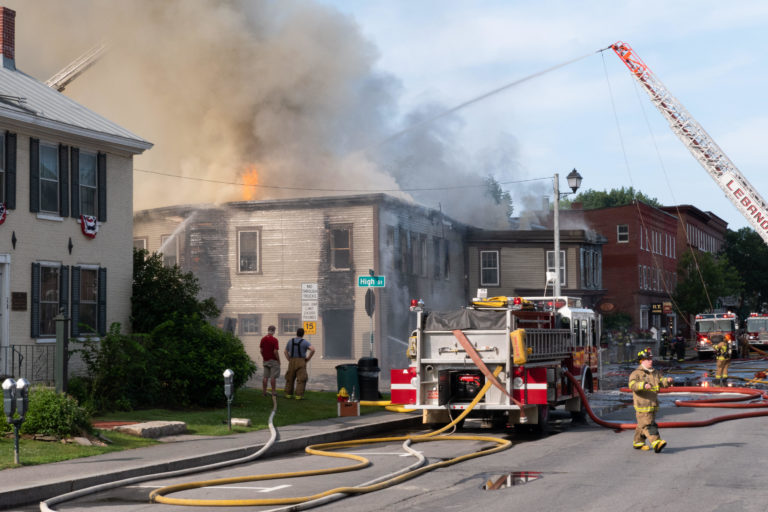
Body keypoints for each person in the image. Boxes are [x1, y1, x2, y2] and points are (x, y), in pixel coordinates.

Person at [628, 348, 673, 453]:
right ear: (642, 361)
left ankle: (638, 442)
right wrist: (642, 385)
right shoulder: (636, 373)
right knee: (649, 424)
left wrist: (668, 381)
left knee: (642, 424)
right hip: (642, 405)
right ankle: (656, 442)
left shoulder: (655, 372)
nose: (650, 361)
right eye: (648, 359)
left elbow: (661, 382)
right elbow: (632, 385)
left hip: (652, 404)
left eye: (651, 359)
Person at [283, 327, 315, 400]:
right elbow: (313, 349)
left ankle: (288, 394)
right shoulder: (305, 342)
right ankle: (298, 395)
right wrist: (308, 358)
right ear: (303, 334)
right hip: (301, 361)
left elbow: (285, 351)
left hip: (291, 361)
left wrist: (289, 359)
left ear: (296, 333)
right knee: (301, 378)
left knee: (290, 378)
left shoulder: (290, 341)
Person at [260, 325, 280, 397]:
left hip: (265, 360)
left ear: (268, 330)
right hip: (273, 360)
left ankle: (264, 392)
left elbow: (261, 350)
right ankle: (273, 392)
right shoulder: (275, 340)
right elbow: (275, 352)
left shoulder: (263, 339)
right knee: (273, 377)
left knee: (265, 377)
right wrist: (278, 360)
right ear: (274, 331)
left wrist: (264, 357)